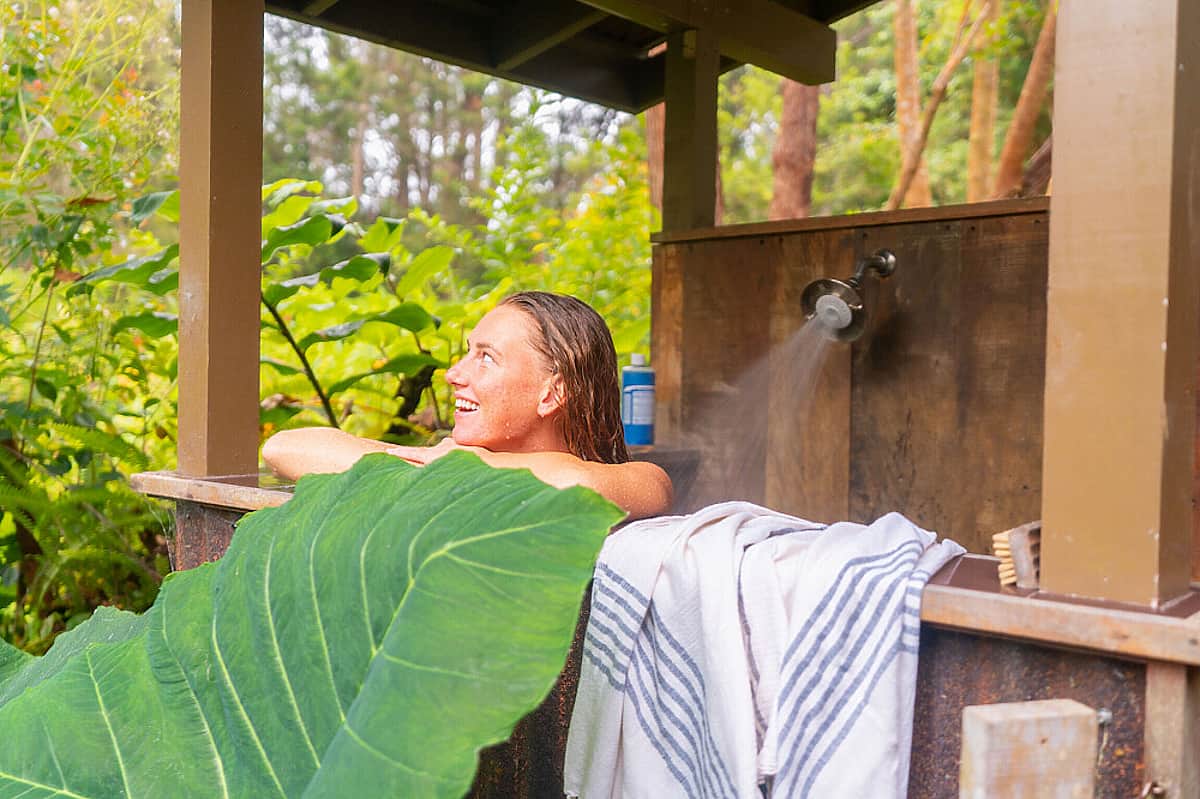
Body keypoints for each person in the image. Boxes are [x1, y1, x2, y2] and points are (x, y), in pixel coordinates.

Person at [261, 291, 673, 520]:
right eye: (467, 352)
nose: (453, 373)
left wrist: (467, 465)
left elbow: (582, 486)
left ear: (552, 393)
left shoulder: (636, 480)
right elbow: (283, 447)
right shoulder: (445, 464)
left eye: (486, 357)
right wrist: (432, 463)